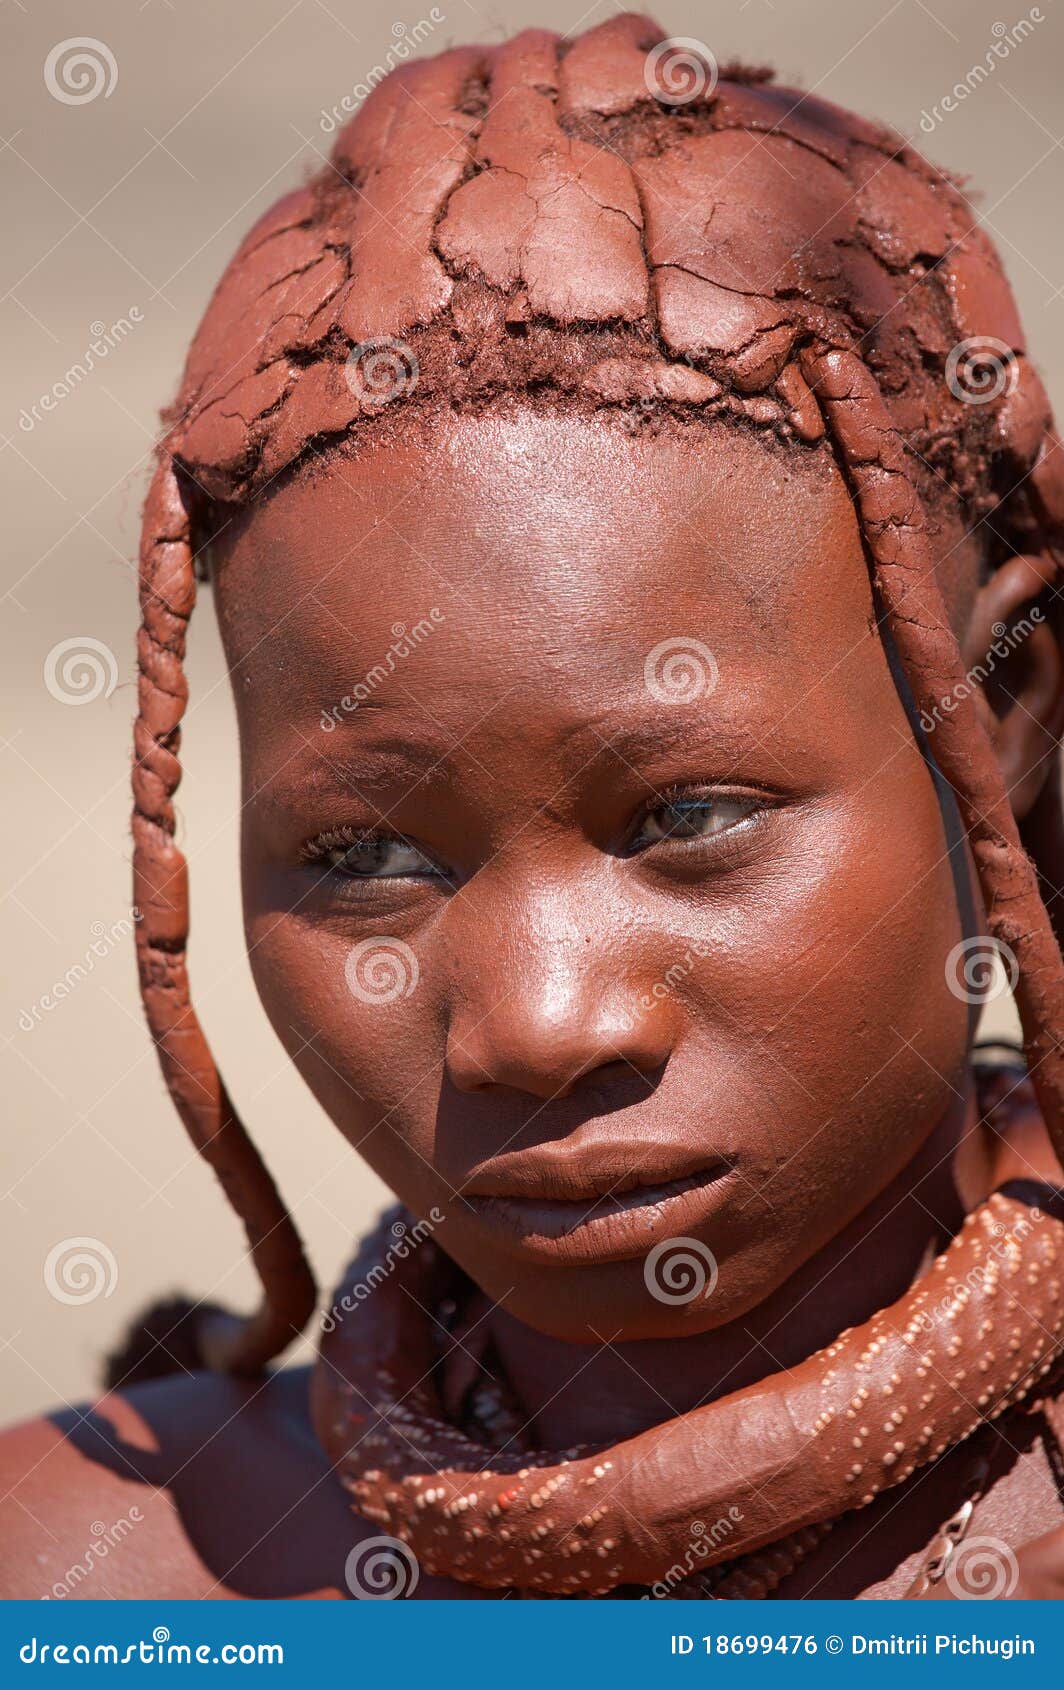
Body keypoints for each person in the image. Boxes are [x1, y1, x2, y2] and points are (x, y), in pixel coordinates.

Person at [5, 13, 1064, 1600]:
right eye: (363, 856)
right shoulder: (91, 1568)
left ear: (1001, 717)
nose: (535, 1020)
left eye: (689, 817)